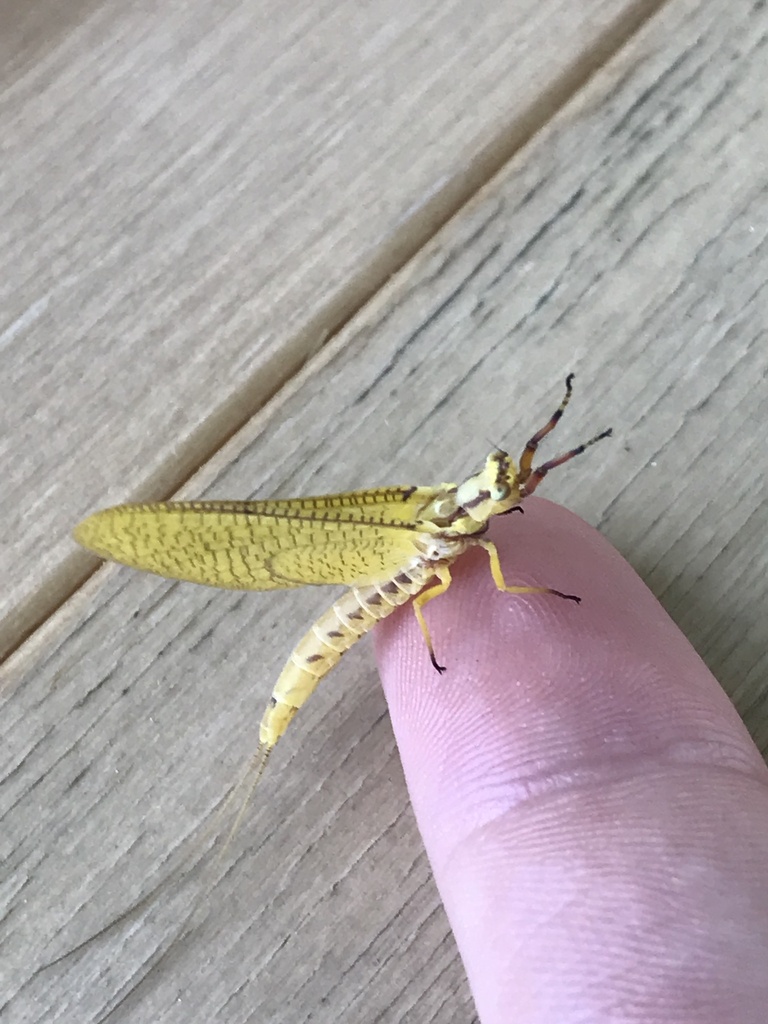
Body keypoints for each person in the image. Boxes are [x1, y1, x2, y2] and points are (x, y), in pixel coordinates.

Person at [375, 499, 768, 1024]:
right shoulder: (461, 532)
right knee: (426, 605)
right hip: (386, 590)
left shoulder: (482, 533)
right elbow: (435, 600)